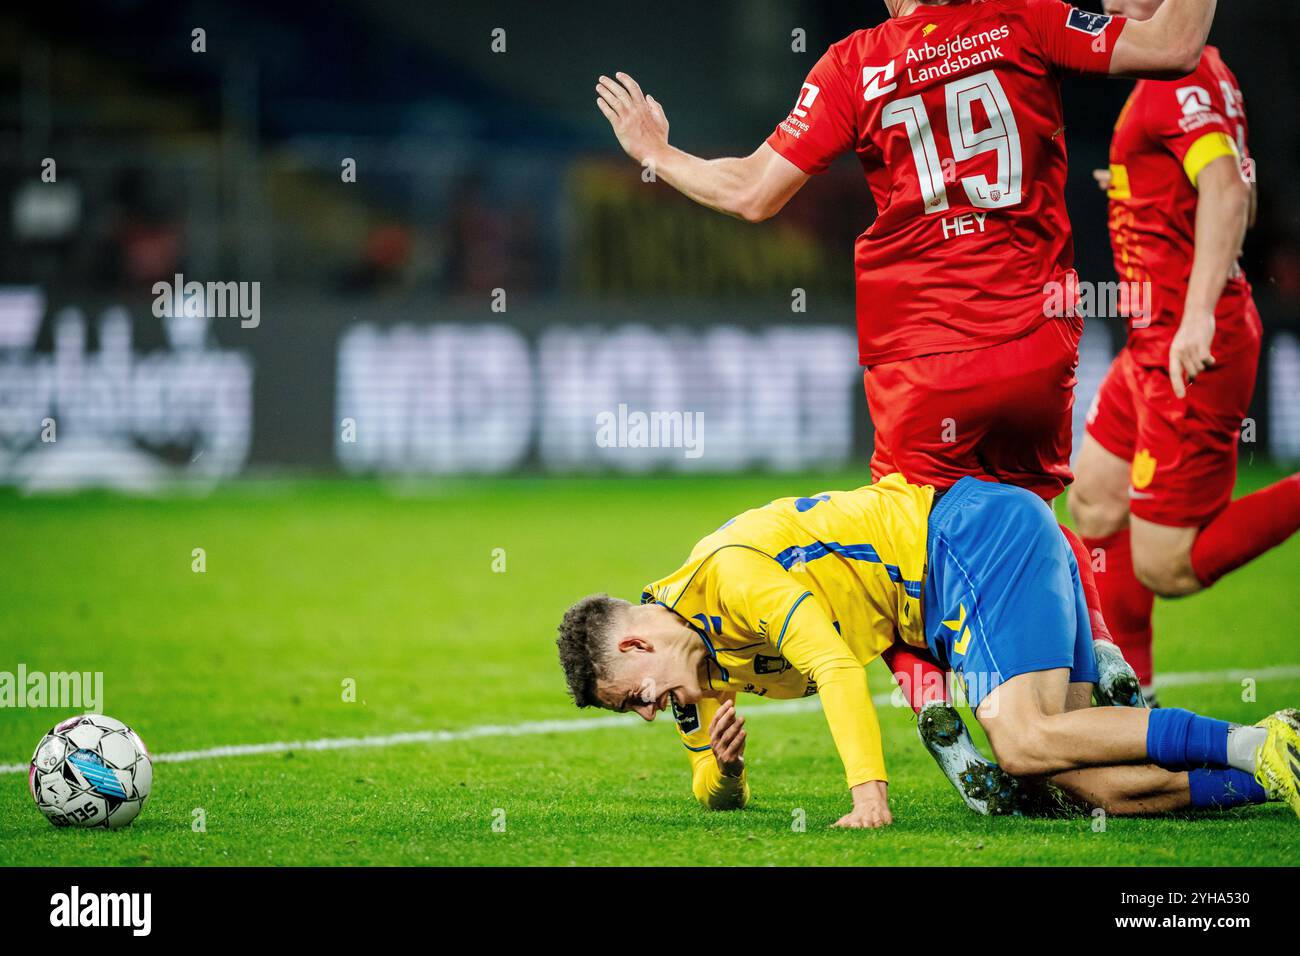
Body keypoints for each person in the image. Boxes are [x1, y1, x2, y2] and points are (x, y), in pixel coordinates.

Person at [555, 475, 1300, 827]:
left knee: (1023, 739)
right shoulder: (688, 677)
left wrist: (867, 796)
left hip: (970, 541)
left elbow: (836, 666)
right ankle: (1281, 771)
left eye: (634, 698)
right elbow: (709, 790)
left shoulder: (732, 571)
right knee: (1091, 788)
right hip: (951, 605)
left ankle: (1255, 743)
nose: (649, 714)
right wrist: (727, 769)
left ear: (634, 640)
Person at [1069, 0, 1300, 704]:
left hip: (1189, 345)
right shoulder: (1195, 69)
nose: (1111, 6)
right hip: (1151, 340)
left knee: (1165, 564)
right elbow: (1240, 188)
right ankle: (1131, 703)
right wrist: (1146, 191)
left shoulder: (1181, 77)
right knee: (1095, 503)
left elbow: (1228, 191)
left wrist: (1197, 316)